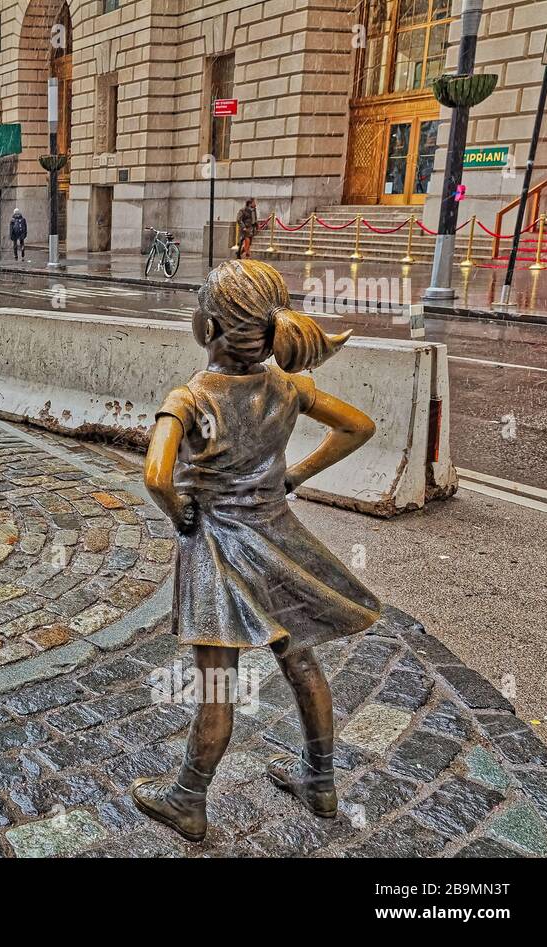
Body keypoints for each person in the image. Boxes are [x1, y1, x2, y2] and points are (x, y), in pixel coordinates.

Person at [131, 259, 380, 843]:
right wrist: (293, 477)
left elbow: (156, 476)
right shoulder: (288, 387)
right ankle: (320, 781)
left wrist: (178, 510)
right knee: (301, 661)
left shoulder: (190, 397)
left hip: (216, 549)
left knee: (218, 683)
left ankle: (189, 799)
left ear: (208, 328)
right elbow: (358, 427)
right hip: (278, 539)